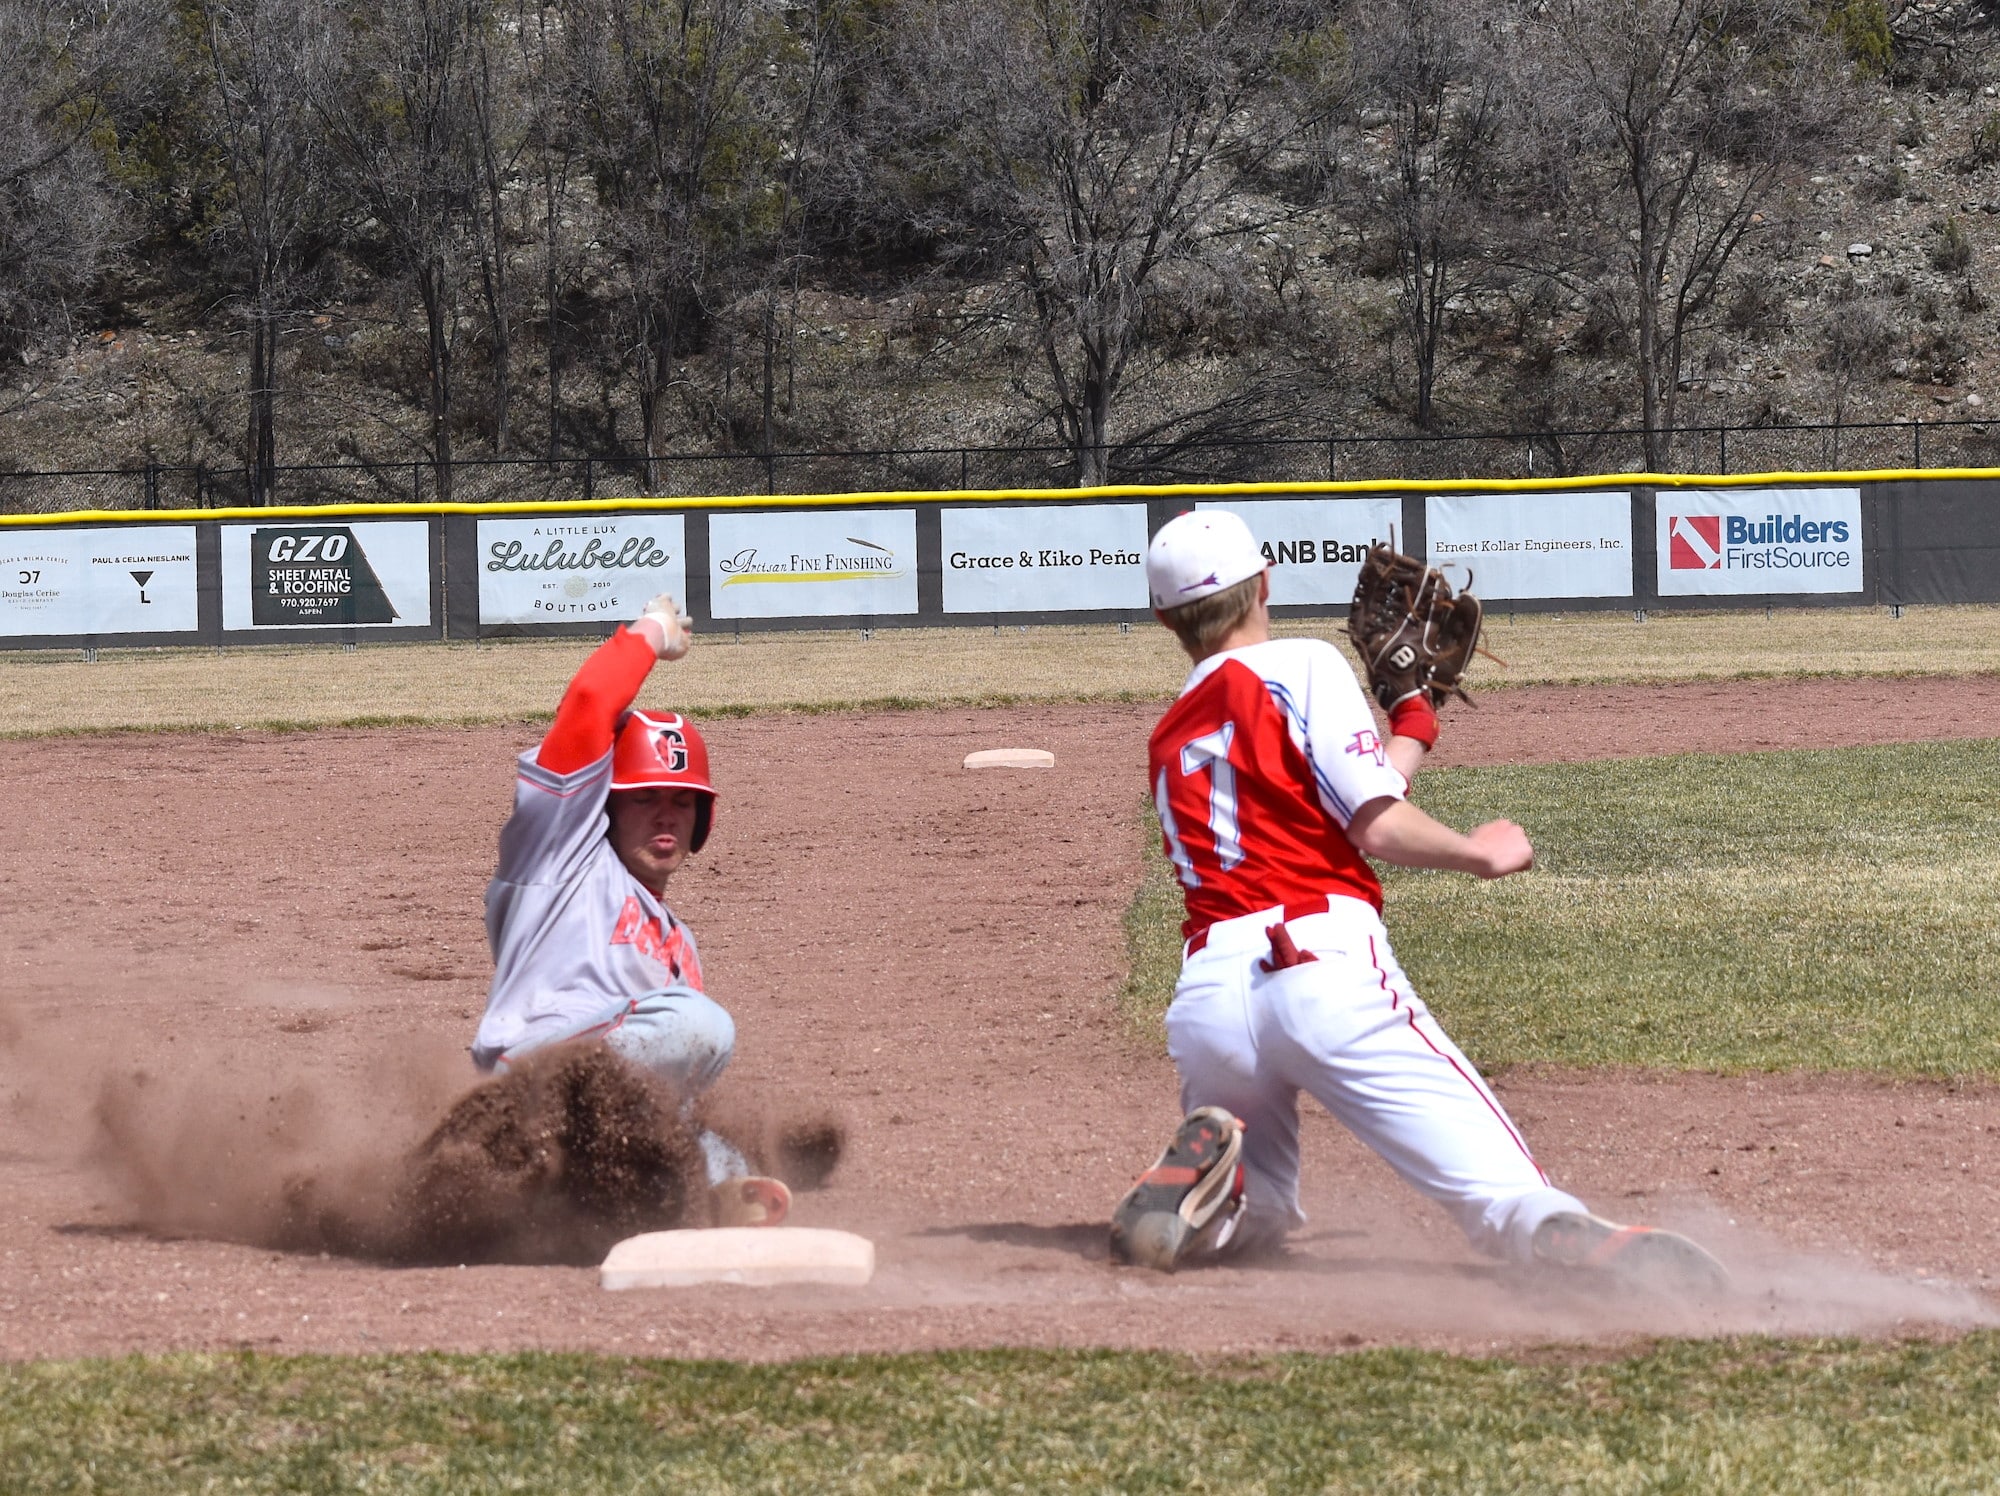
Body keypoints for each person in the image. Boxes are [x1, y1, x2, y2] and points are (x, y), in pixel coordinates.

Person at [1109, 510, 1723, 1293]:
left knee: (1258, 1219)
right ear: (1265, 585)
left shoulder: (1170, 733)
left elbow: (1324, 798)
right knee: (1507, 1199)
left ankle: (1208, 1194)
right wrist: (1477, 852)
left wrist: (1414, 722)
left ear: (1165, 618)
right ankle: (1546, 1228)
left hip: (1210, 999)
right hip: (1318, 965)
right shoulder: (1303, 665)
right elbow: (1372, 820)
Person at [470, 593, 788, 1227]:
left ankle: (590, 1202)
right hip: (529, 1083)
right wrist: (651, 633)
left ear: (703, 819)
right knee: (702, 1027)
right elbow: (589, 704)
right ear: (607, 804)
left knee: (718, 1152)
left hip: (587, 1132)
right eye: (644, 798)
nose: (666, 812)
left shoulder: (680, 947)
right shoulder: (559, 857)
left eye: (683, 799)